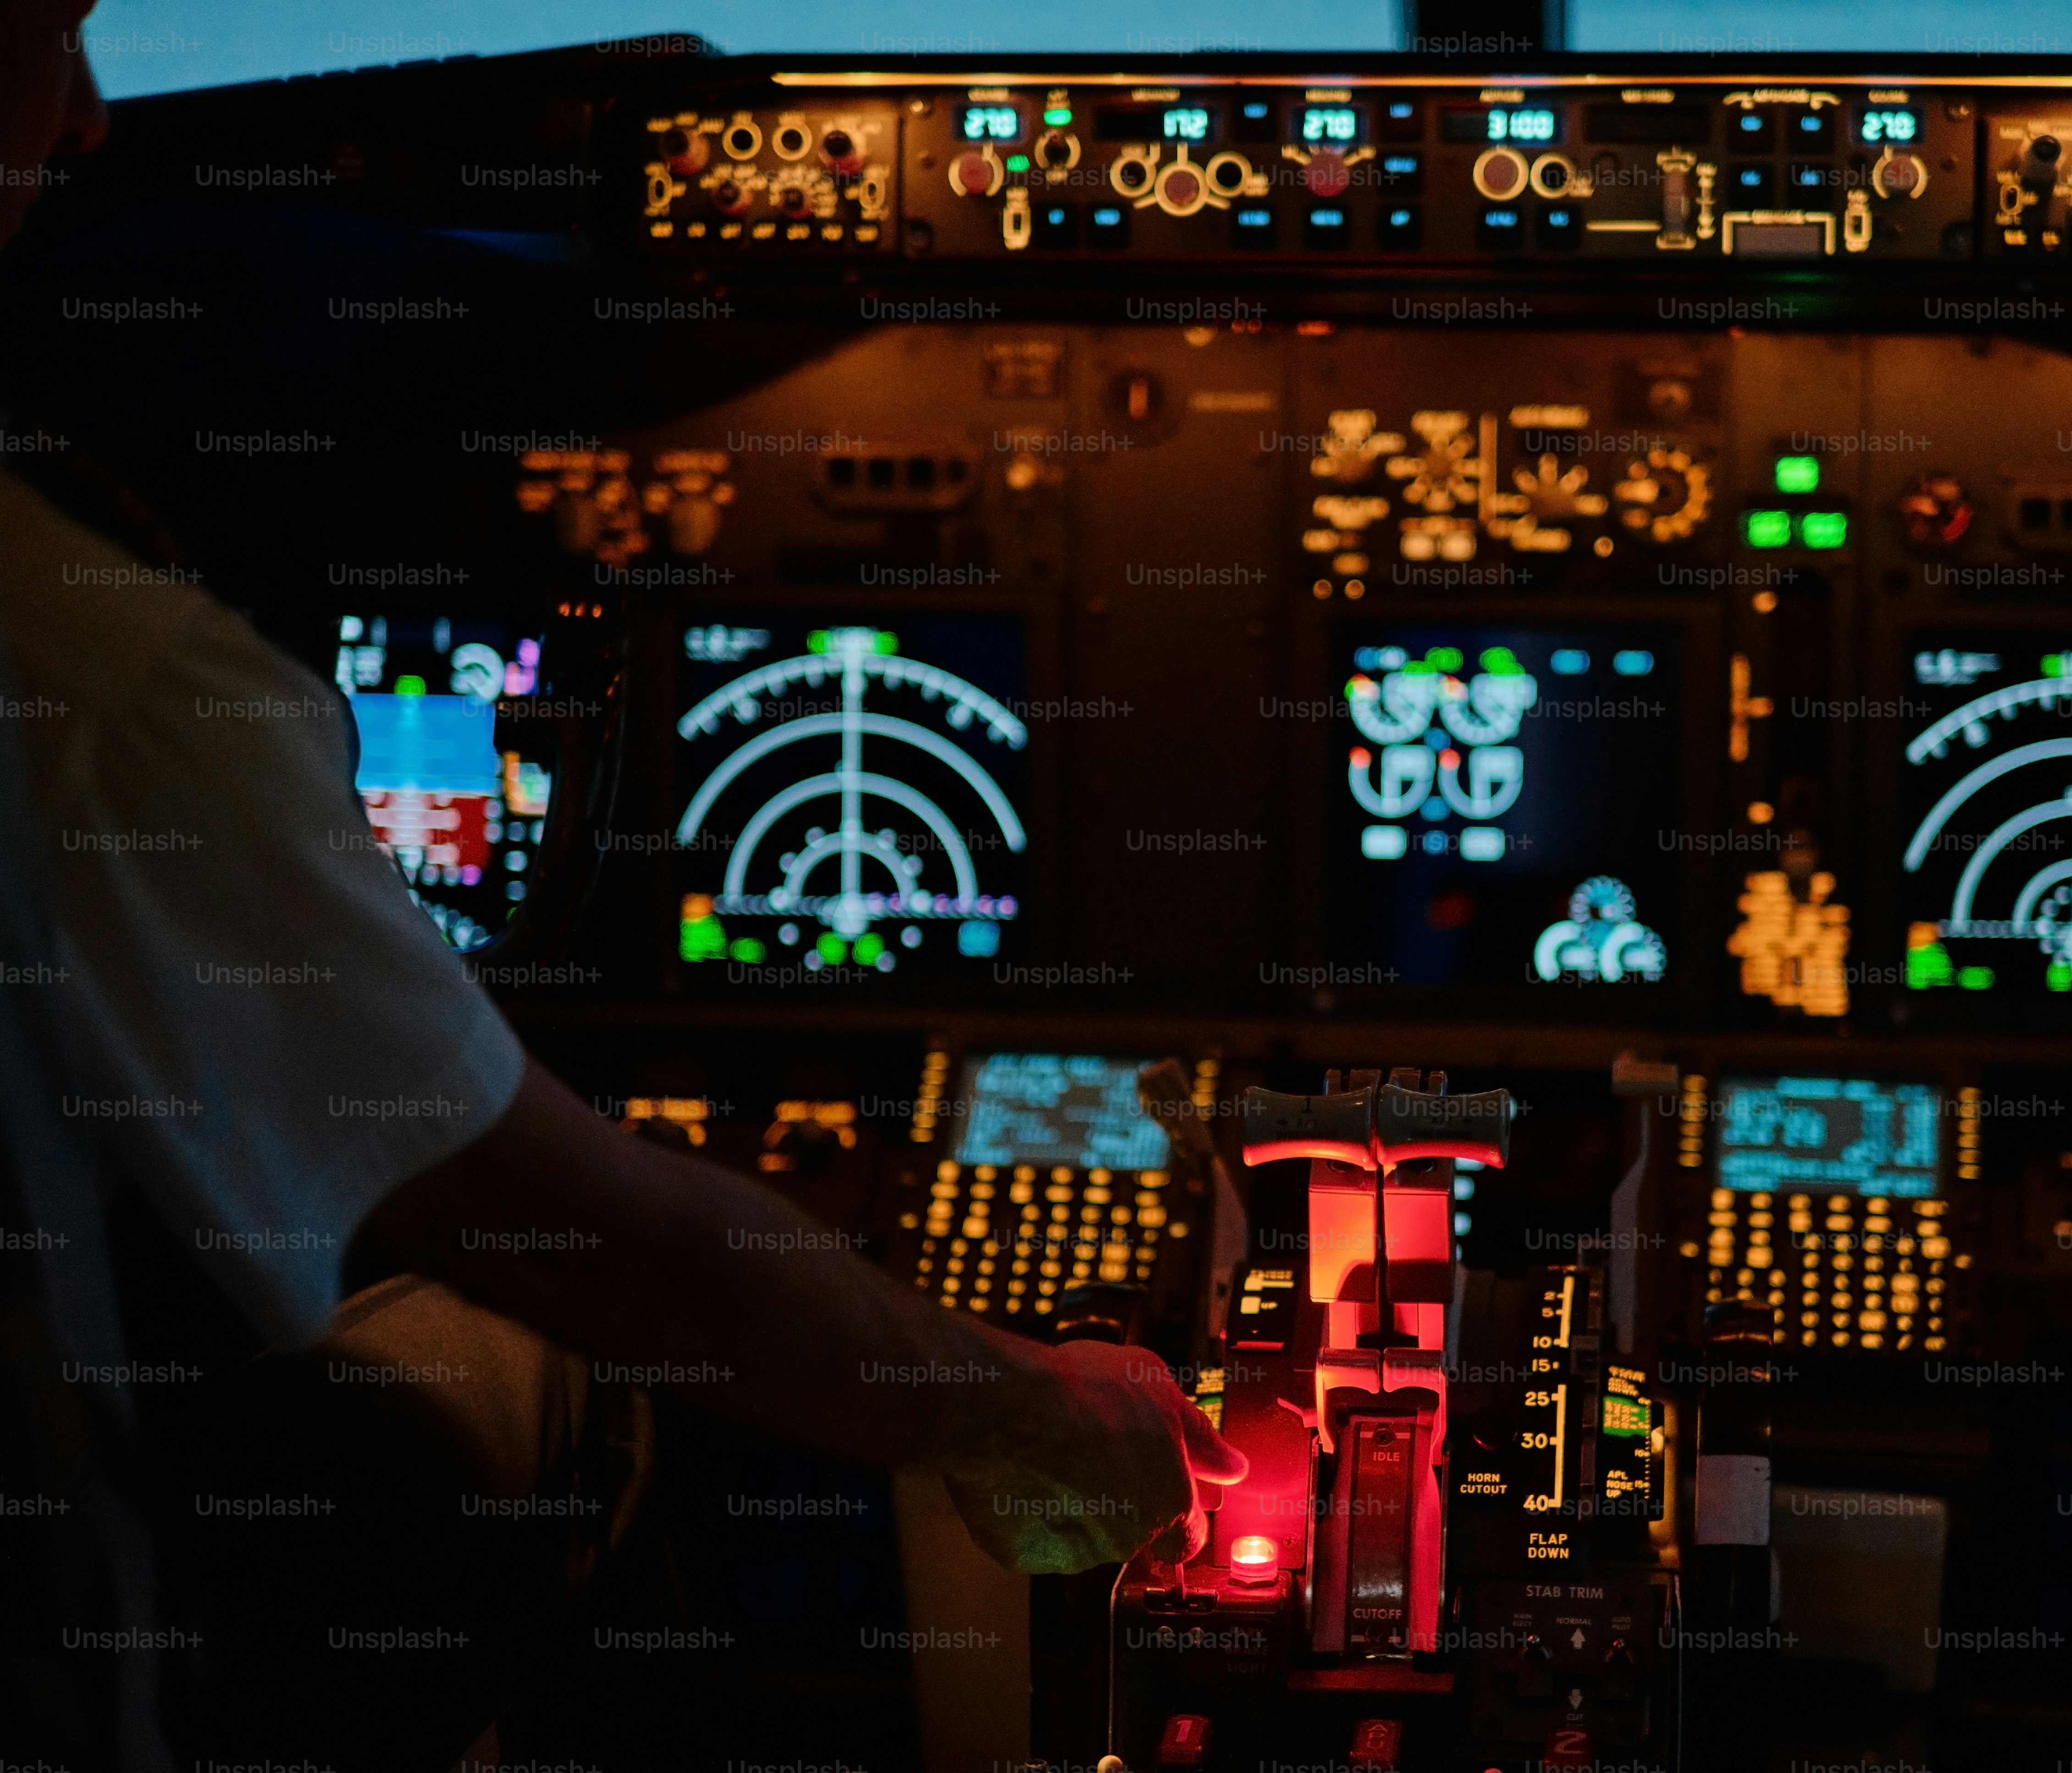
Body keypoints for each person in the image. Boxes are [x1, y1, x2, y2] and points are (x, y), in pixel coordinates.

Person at [0, 5, 1242, 1765]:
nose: (99, 112)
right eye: (55, 28)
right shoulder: (91, 666)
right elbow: (585, 1234)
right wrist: (1035, 1408)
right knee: (531, 1346)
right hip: (74, 1633)